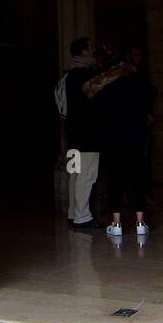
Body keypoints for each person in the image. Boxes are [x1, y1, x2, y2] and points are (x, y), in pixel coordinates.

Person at [88, 46, 156, 242]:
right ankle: (140, 223)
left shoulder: (109, 89)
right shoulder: (140, 85)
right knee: (138, 180)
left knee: (115, 180)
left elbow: (94, 103)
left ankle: (116, 224)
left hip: (114, 140)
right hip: (136, 139)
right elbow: (153, 92)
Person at [60, 37, 102, 228]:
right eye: (91, 47)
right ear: (84, 52)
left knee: (75, 175)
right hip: (88, 134)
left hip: (73, 134)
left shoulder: (69, 75)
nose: (93, 50)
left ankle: (73, 213)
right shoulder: (87, 75)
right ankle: (82, 216)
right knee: (86, 176)